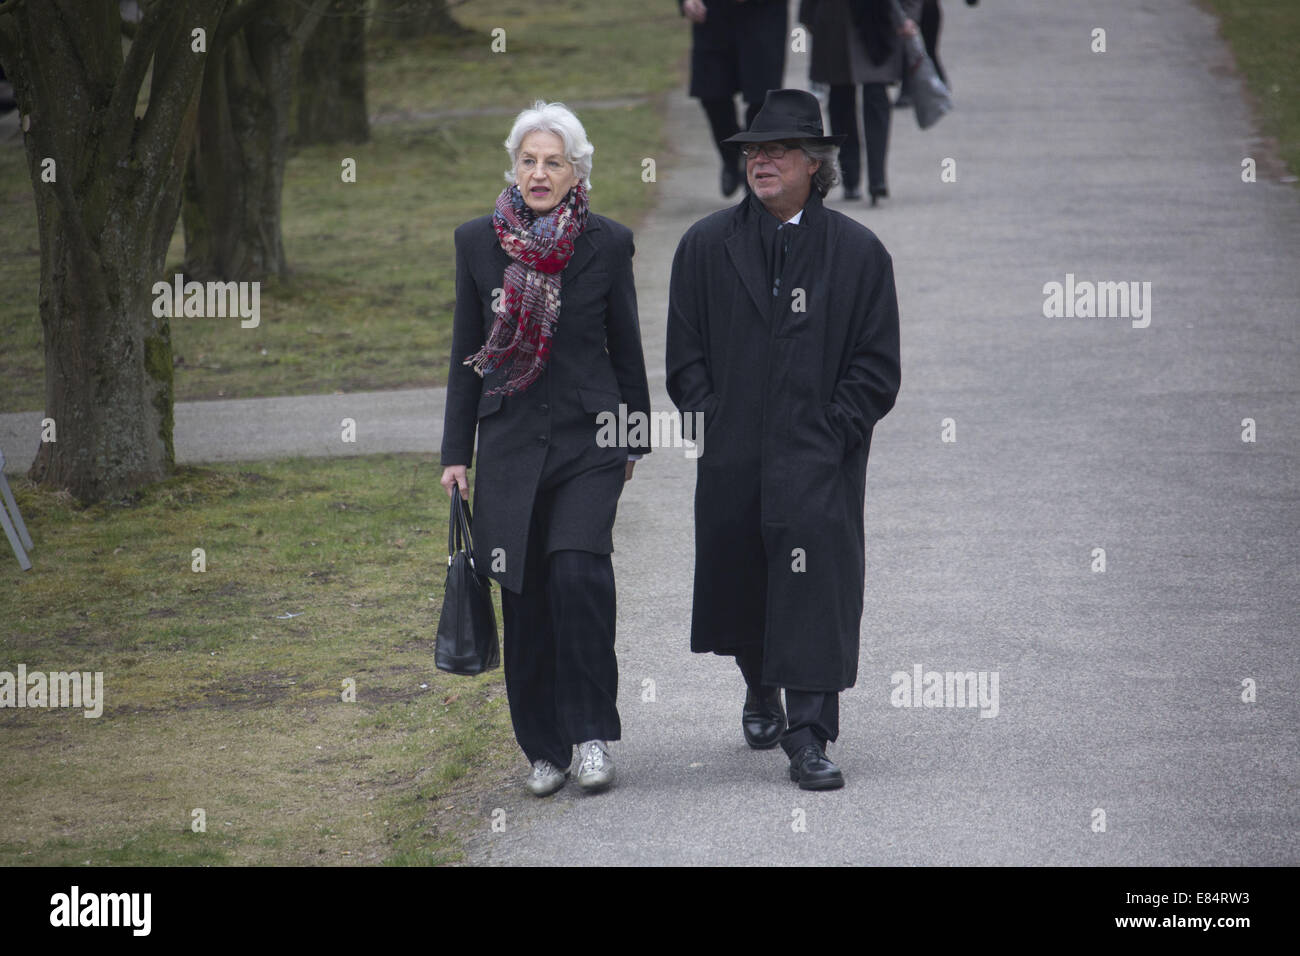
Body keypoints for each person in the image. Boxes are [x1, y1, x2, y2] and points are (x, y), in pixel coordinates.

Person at [666, 89, 901, 790]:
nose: (760, 162)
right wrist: (712, 416)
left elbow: (877, 364)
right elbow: (684, 355)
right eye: (751, 152)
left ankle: (809, 734)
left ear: (814, 164)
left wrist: (834, 430)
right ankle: (759, 685)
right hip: (734, 448)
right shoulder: (706, 246)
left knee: (814, 587)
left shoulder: (858, 254)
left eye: (776, 151)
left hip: (818, 455)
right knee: (741, 584)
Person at [440, 101, 652, 797]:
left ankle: (591, 735)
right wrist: (455, 453)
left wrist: (635, 435)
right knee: (522, 591)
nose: (539, 172)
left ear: (575, 172)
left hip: (591, 440)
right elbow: (464, 355)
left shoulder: (607, 242)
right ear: (514, 168)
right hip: (508, 443)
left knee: (577, 574)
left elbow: (626, 344)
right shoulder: (477, 242)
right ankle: (543, 748)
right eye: (528, 160)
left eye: (553, 162)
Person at [799, 0, 921, 203]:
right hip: (835, 17)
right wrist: (809, 12)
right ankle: (850, 177)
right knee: (841, 97)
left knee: (875, 95)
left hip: (879, 17)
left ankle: (877, 178)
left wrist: (908, 14)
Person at [678, 0, 787, 198]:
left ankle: (753, 172)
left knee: (761, 100)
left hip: (763, 17)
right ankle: (731, 155)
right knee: (711, 94)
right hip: (713, 17)